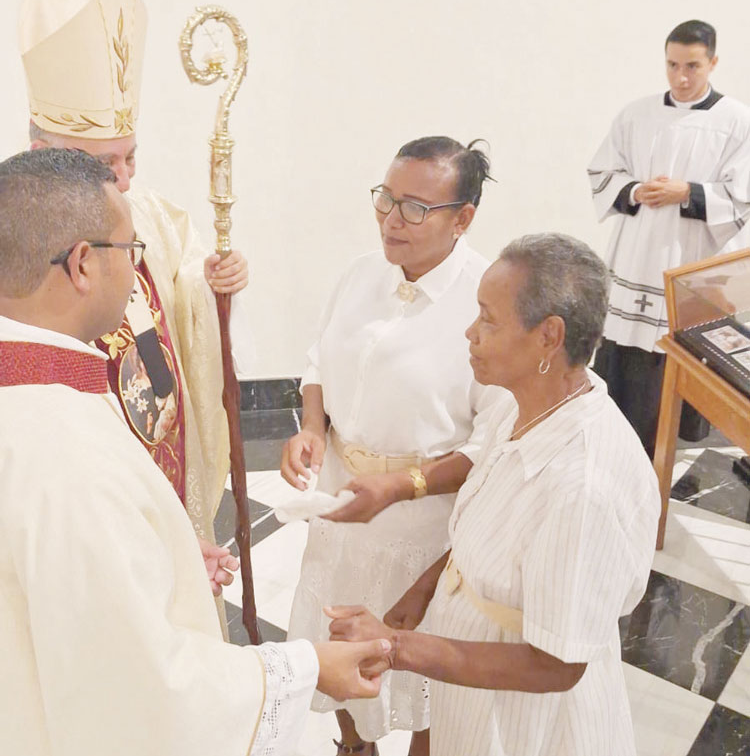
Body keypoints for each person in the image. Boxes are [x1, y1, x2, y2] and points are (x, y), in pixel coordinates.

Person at [0, 147, 393, 756]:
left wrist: (167, 556)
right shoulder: (69, 458)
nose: (138, 270)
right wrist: (307, 668)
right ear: (82, 264)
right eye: (130, 250)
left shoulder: (37, 394)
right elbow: (147, 696)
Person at [326, 233, 660, 756]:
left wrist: (396, 648)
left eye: (488, 319)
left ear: (548, 336)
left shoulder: (581, 489)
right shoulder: (521, 404)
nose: (470, 332)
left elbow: (556, 665)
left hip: (527, 721)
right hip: (473, 691)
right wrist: (426, 587)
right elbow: (492, 517)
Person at [280, 136, 500, 755]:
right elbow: (319, 359)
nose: (391, 220)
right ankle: (353, 746)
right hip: (343, 505)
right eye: (385, 198)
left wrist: (401, 487)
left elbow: (492, 442)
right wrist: (311, 428)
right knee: (340, 635)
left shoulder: (486, 300)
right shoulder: (361, 273)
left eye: (415, 208)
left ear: (462, 218)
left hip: (424, 525)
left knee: (420, 669)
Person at [19, 0, 248, 545]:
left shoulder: (149, 214)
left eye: (131, 156)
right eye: (105, 163)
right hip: (72, 467)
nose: (123, 178)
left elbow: (186, 284)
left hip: (160, 432)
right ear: (44, 154)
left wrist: (213, 280)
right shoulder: (15, 227)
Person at [587, 19, 750, 458]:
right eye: (672, 65)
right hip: (636, 254)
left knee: (678, 353)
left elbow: (744, 197)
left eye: (692, 66)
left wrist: (689, 193)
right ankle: (616, 445)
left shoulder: (737, 121)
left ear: (713, 63)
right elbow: (603, 171)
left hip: (690, 258)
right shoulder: (637, 114)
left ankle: (666, 454)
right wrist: (635, 190)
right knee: (626, 357)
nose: (681, 77)